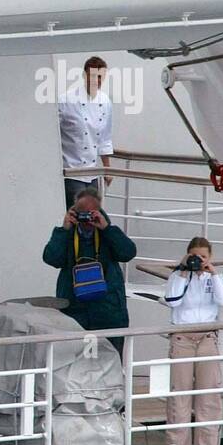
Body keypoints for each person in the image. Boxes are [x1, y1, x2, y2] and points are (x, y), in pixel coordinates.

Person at [164, 237, 223, 445]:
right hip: (182, 339)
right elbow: (172, 300)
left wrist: (213, 274)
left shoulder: (214, 277)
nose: (198, 261)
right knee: (179, 401)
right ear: (187, 255)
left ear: (210, 257)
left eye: (203, 257)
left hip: (207, 340)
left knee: (209, 400)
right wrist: (182, 271)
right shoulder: (178, 276)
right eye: (194, 256)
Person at [42, 187, 137, 356]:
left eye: (90, 213)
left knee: (110, 360)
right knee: (76, 363)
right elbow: (51, 258)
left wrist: (107, 229)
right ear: (74, 212)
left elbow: (128, 253)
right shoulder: (67, 234)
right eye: (81, 213)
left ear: (98, 212)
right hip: (75, 310)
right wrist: (64, 230)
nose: (86, 219)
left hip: (108, 311)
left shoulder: (108, 233)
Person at [58, 56, 114, 208]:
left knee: (91, 218)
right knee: (76, 216)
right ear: (84, 76)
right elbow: (51, 135)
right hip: (71, 172)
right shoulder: (65, 101)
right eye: (93, 76)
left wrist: (107, 169)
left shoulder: (105, 102)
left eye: (100, 77)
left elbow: (105, 139)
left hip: (92, 173)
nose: (96, 81)